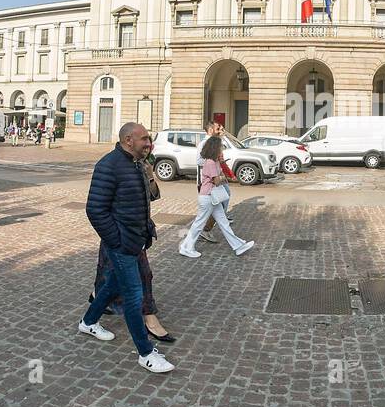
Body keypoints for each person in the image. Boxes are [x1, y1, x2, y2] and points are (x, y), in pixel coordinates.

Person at [80, 123, 175, 374]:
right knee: (134, 295)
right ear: (128, 139)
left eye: (149, 139)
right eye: (144, 139)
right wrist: (116, 240)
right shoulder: (109, 165)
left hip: (135, 239)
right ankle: (145, 353)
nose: (149, 143)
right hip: (122, 243)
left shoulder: (136, 163)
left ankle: (88, 321)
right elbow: (95, 209)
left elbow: (148, 198)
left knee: (112, 285)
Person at [180, 133, 259, 258]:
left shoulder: (215, 161)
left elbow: (220, 177)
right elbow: (217, 181)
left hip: (213, 197)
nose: (222, 149)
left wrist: (222, 171)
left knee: (223, 222)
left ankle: (238, 246)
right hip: (208, 197)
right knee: (199, 223)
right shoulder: (210, 162)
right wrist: (224, 177)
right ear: (214, 148)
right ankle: (186, 247)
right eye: (220, 147)